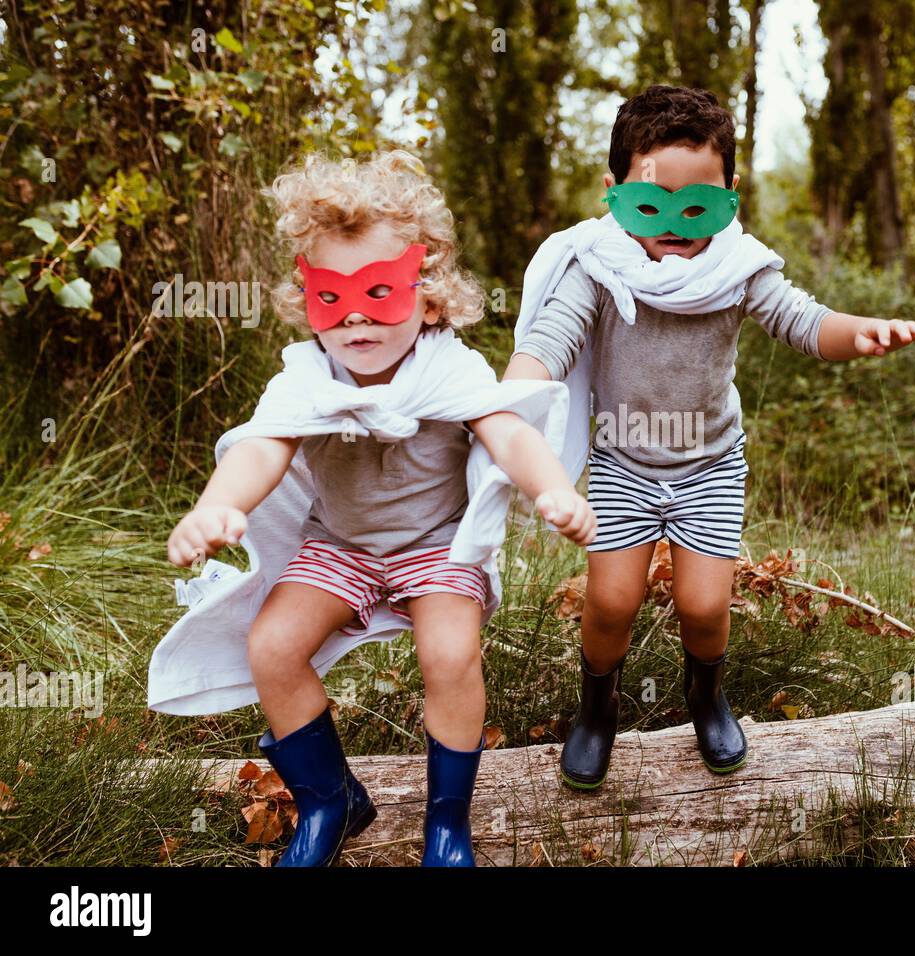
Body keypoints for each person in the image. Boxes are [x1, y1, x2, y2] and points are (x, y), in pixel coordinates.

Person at [150, 150, 596, 865]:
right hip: (341, 544)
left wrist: (553, 489)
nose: (355, 313)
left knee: (449, 652)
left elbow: (509, 430)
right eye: (331, 295)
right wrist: (216, 508)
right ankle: (330, 802)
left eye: (380, 291)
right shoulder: (307, 376)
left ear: (429, 298)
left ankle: (446, 824)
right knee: (271, 646)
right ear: (308, 298)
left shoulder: (448, 367)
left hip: (437, 545)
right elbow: (261, 447)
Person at [505, 85, 915, 789]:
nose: (675, 226)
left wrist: (861, 332)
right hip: (624, 464)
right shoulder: (597, 266)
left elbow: (804, 321)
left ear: (730, 196)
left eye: (697, 206)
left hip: (709, 466)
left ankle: (705, 696)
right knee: (610, 604)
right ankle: (597, 708)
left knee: (704, 607)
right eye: (651, 205)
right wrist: (510, 397)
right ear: (613, 193)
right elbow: (550, 341)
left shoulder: (737, 269)